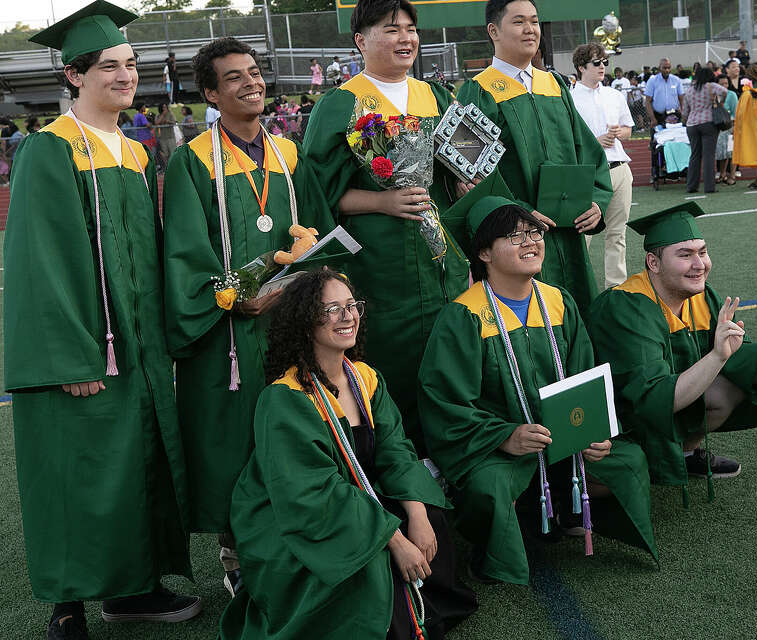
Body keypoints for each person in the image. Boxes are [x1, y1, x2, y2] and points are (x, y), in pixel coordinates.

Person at [4, 3, 200, 638]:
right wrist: (73, 356)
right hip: (89, 350)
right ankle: (69, 607)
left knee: (137, 464)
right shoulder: (49, 150)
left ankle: (133, 588)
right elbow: (42, 262)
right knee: (76, 469)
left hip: (139, 349)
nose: (125, 75)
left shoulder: (137, 155)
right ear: (73, 76)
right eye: (109, 66)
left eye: (130, 64)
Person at [162, 36, 334, 595]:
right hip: (230, 330)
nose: (251, 82)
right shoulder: (193, 160)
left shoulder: (288, 153)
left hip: (291, 320)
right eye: (234, 77)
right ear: (211, 94)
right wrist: (232, 296)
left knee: (296, 427)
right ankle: (236, 552)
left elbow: (316, 223)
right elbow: (185, 249)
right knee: (233, 437)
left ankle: (299, 537)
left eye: (255, 72)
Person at [218, 269, 477, 639]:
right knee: (365, 553)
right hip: (297, 515)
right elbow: (314, 492)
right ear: (305, 322)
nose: (348, 316)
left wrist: (416, 515)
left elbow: (396, 452)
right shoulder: (285, 399)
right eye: (332, 309)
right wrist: (394, 538)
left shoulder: (365, 379)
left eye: (352, 306)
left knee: (428, 517)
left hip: (354, 495)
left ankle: (415, 608)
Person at [419, 195, 658, 586]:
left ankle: (569, 511)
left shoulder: (559, 302)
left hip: (562, 436)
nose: (530, 242)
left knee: (627, 459)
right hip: (500, 447)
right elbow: (446, 404)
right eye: (514, 237)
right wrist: (506, 436)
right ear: (483, 253)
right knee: (489, 487)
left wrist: (592, 430)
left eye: (534, 232)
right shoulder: (463, 316)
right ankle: (498, 552)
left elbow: (585, 376)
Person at [302, 0, 473, 453]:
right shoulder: (342, 104)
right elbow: (320, 192)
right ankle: (395, 460)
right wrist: (382, 200)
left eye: (411, 29)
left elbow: (460, 174)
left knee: (450, 356)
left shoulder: (437, 96)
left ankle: (451, 454)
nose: (406, 39)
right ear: (361, 40)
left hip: (440, 259)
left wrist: (463, 178)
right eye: (391, 29)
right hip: (379, 264)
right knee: (387, 361)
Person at [589, 203, 757, 499]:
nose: (699, 264)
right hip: (615, 422)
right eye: (685, 255)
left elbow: (748, 368)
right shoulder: (627, 306)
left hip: (662, 404)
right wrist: (717, 356)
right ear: (653, 263)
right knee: (619, 478)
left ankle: (687, 454)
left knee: (729, 388)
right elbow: (651, 399)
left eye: (702, 252)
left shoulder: (701, 298)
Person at [457, 0, 610, 321]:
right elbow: (467, 175)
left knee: (575, 319)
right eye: (519, 22)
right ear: (493, 31)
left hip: (568, 236)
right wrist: (517, 211)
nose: (530, 29)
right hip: (516, 239)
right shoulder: (478, 91)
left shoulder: (554, 85)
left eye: (535, 21)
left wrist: (596, 200)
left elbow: (588, 151)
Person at [570, 42, 633, 289]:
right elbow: (567, 141)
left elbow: (628, 129)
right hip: (588, 174)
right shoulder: (570, 98)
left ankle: (616, 290)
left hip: (619, 168)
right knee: (583, 237)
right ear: (580, 67)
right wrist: (594, 142)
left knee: (617, 235)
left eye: (605, 62)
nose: (602, 67)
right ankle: (581, 290)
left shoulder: (615, 95)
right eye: (596, 63)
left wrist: (620, 132)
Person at [681, 67, 726, 194]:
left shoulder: (689, 91)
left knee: (694, 155)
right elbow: (725, 91)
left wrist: (686, 121)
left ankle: (691, 186)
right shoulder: (711, 86)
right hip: (708, 122)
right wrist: (719, 102)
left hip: (692, 124)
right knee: (708, 156)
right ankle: (709, 187)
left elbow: (685, 112)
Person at [644, 57, 685, 128]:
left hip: (674, 116)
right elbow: (648, 101)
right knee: (657, 138)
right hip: (658, 117)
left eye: (669, 68)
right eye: (664, 68)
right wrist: (653, 119)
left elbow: (682, 99)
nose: (667, 70)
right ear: (659, 68)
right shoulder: (652, 81)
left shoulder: (676, 80)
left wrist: (684, 115)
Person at [714, 74, 738, 186]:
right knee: (722, 153)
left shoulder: (731, 95)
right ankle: (722, 173)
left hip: (730, 126)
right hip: (718, 128)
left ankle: (732, 175)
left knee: (731, 151)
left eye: (726, 83)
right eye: (721, 84)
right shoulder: (713, 96)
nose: (724, 86)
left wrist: (734, 127)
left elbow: (736, 113)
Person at [155, 101, 177, 167]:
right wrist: (163, 115)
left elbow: (174, 122)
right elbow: (156, 123)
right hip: (162, 137)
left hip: (170, 137)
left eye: (165, 107)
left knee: (172, 153)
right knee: (165, 154)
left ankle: (174, 166)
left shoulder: (170, 114)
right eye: (163, 107)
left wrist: (168, 121)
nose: (165, 108)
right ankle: (167, 166)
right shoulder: (158, 115)